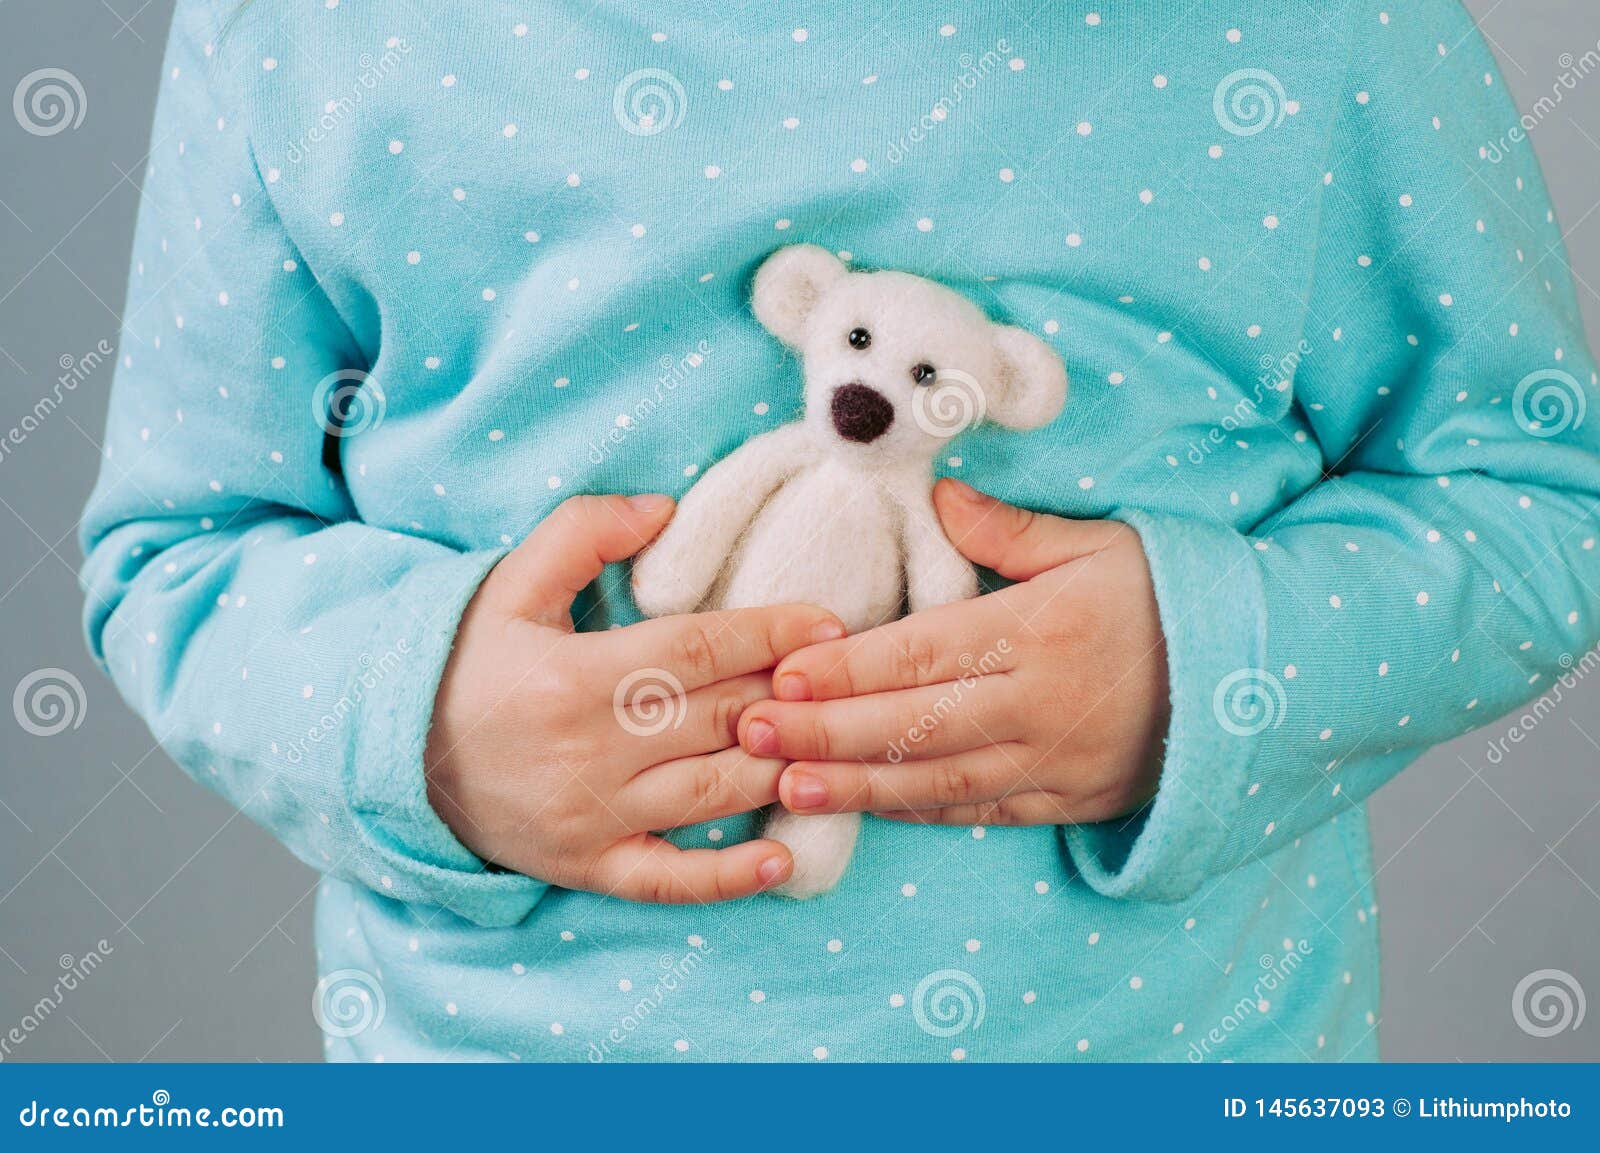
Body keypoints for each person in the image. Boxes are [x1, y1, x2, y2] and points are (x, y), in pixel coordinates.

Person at [82, 0, 1600, 1061]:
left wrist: (1208, 663)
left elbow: (1536, 496)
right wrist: (415, 719)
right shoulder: (306, 31)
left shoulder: (1322, 31)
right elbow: (183, 545)